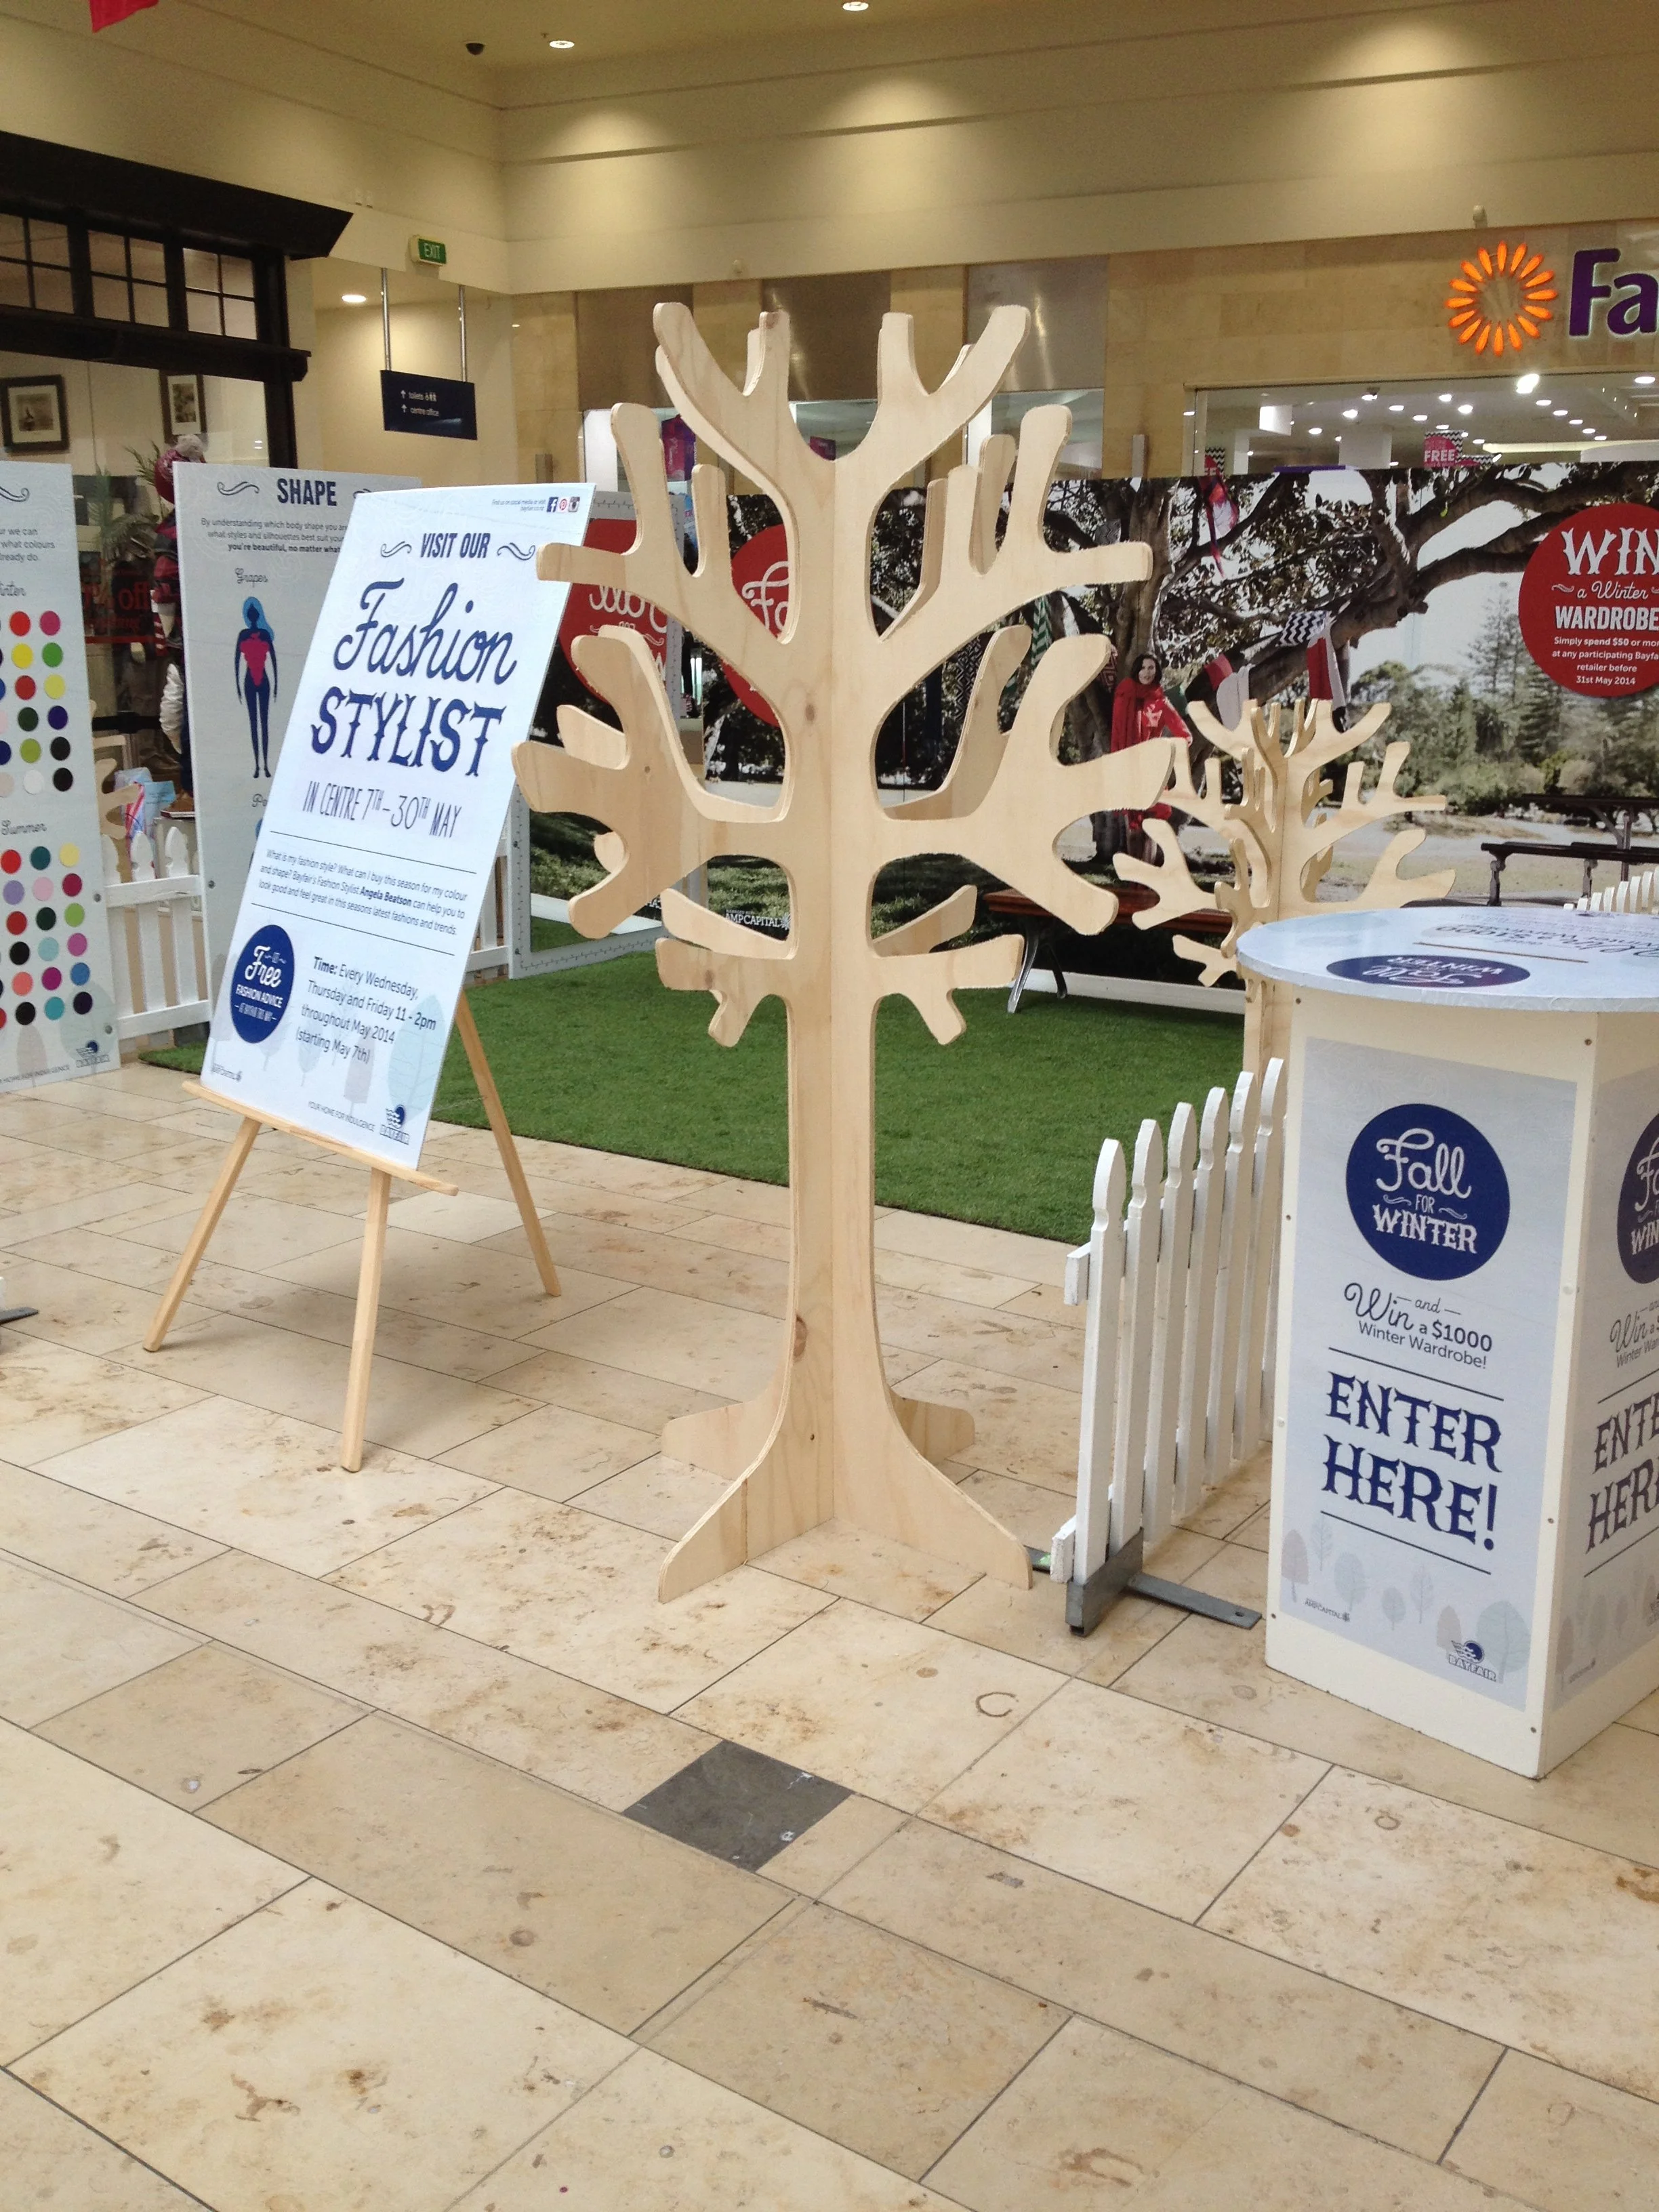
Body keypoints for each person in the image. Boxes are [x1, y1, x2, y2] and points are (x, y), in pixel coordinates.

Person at [1109, 650, 1191, 859]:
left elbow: (1185, 736)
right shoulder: (1123, 696)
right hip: (1127, 768)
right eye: (1143, 668)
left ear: (1157, 672)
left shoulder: (1161, 702)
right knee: (1133, 828)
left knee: (1150, 827)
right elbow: (1117, 735)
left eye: (1151, 668)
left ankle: (1147, 883)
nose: (1147, 672)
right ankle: (1134, 883)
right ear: (1136, 671)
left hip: (1153, 772)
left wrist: (1165, 752)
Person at [233, 597, 279, 776]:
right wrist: (237, 686)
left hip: (264, 680)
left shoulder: (265, 634)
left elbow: (274, 661)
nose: (252, 617)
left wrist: (276, 686)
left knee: (264, 722)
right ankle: (256, 766)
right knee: (254, 722)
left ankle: (266, 765)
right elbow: (236, 661)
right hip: (249, 679)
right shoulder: (243, 635)